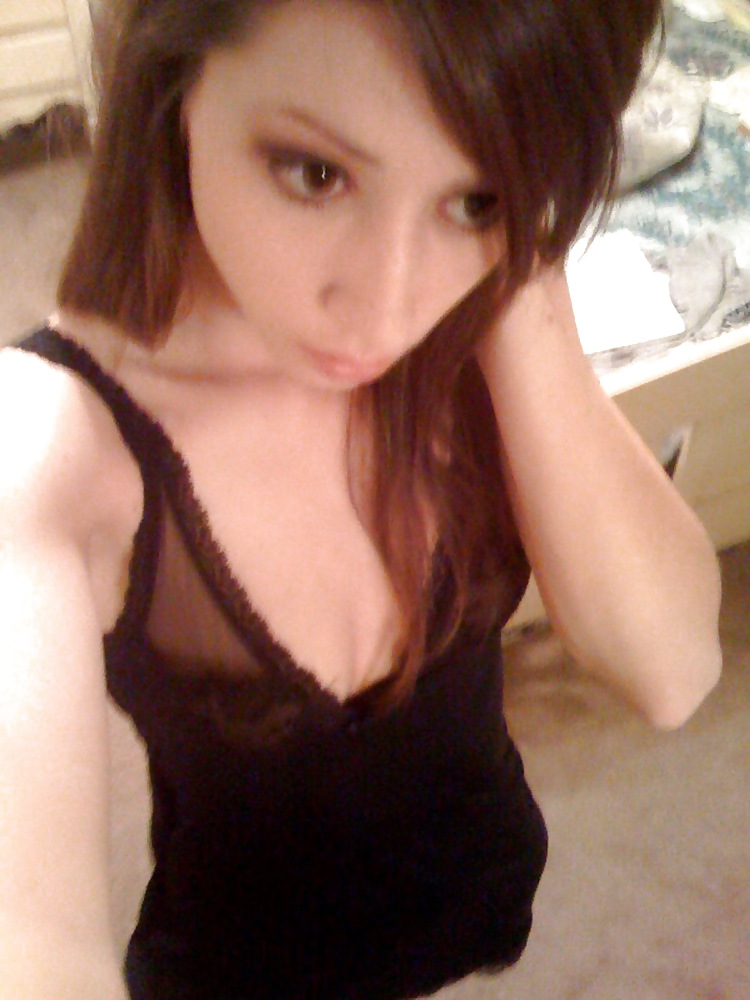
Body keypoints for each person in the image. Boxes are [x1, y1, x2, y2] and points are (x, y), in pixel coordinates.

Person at [0, 0, 723, 997]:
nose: (387, 311)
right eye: (315, 173)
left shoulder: (484, 294)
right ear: (178, 78)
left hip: (483, 893)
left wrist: (520, 245)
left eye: (473, 198)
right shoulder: (48, 443)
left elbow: (673, 667)